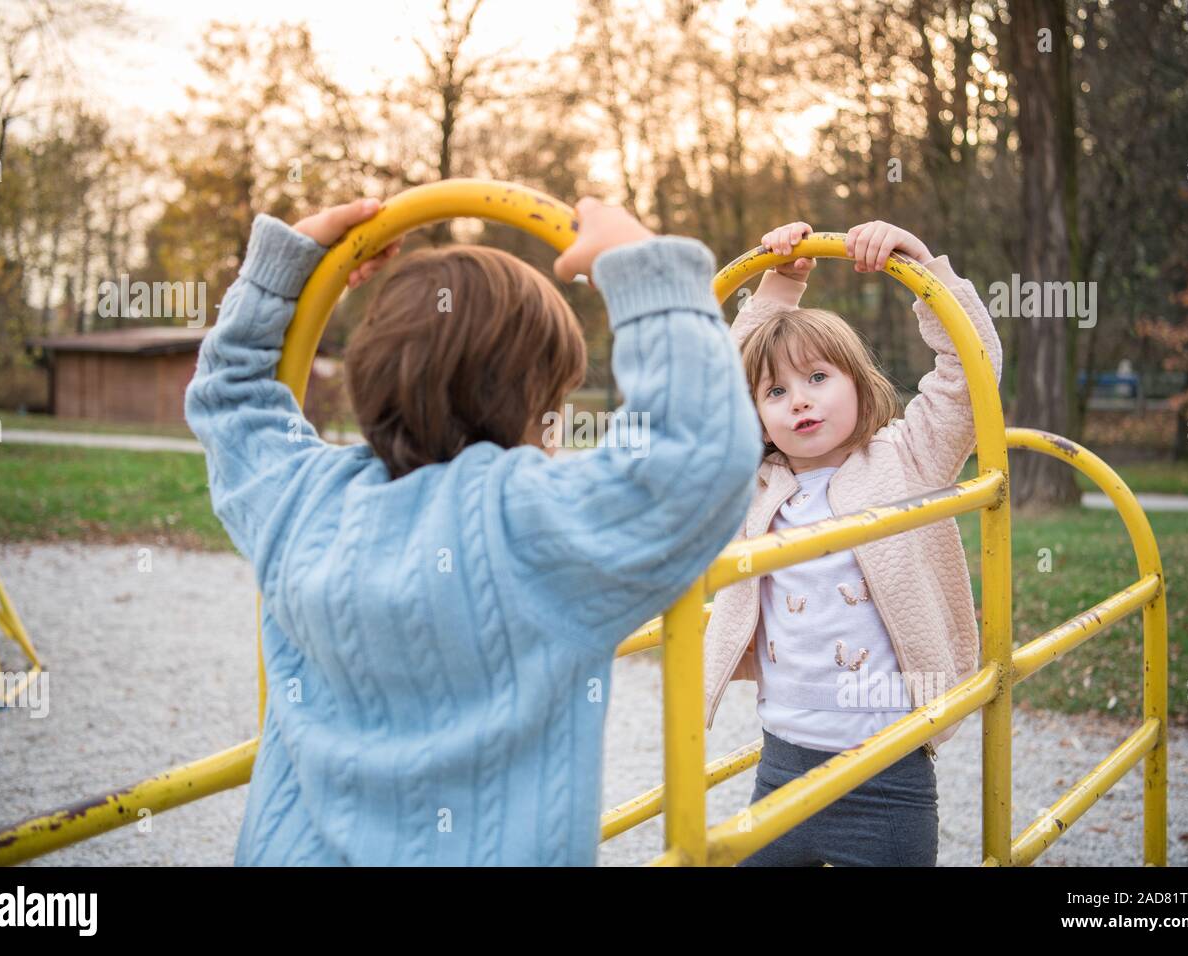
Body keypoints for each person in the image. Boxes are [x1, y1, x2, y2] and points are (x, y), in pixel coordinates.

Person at [184, 196, 763, 865]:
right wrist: (643, 269)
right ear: (535, 405)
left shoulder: (301, 503)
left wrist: (285, 271)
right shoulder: (535, 528)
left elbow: (231, 396)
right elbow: (698, 452)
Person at [702, 219, 1004, 866]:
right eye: (776, 392)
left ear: (859, 383)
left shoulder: (907, 459)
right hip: (783, 766)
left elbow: (968, 372)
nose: (799, 402)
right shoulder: (756, 483)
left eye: (817, 378)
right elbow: (720, 390)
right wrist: (781, 281)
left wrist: (923, 269)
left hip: (888, 777)